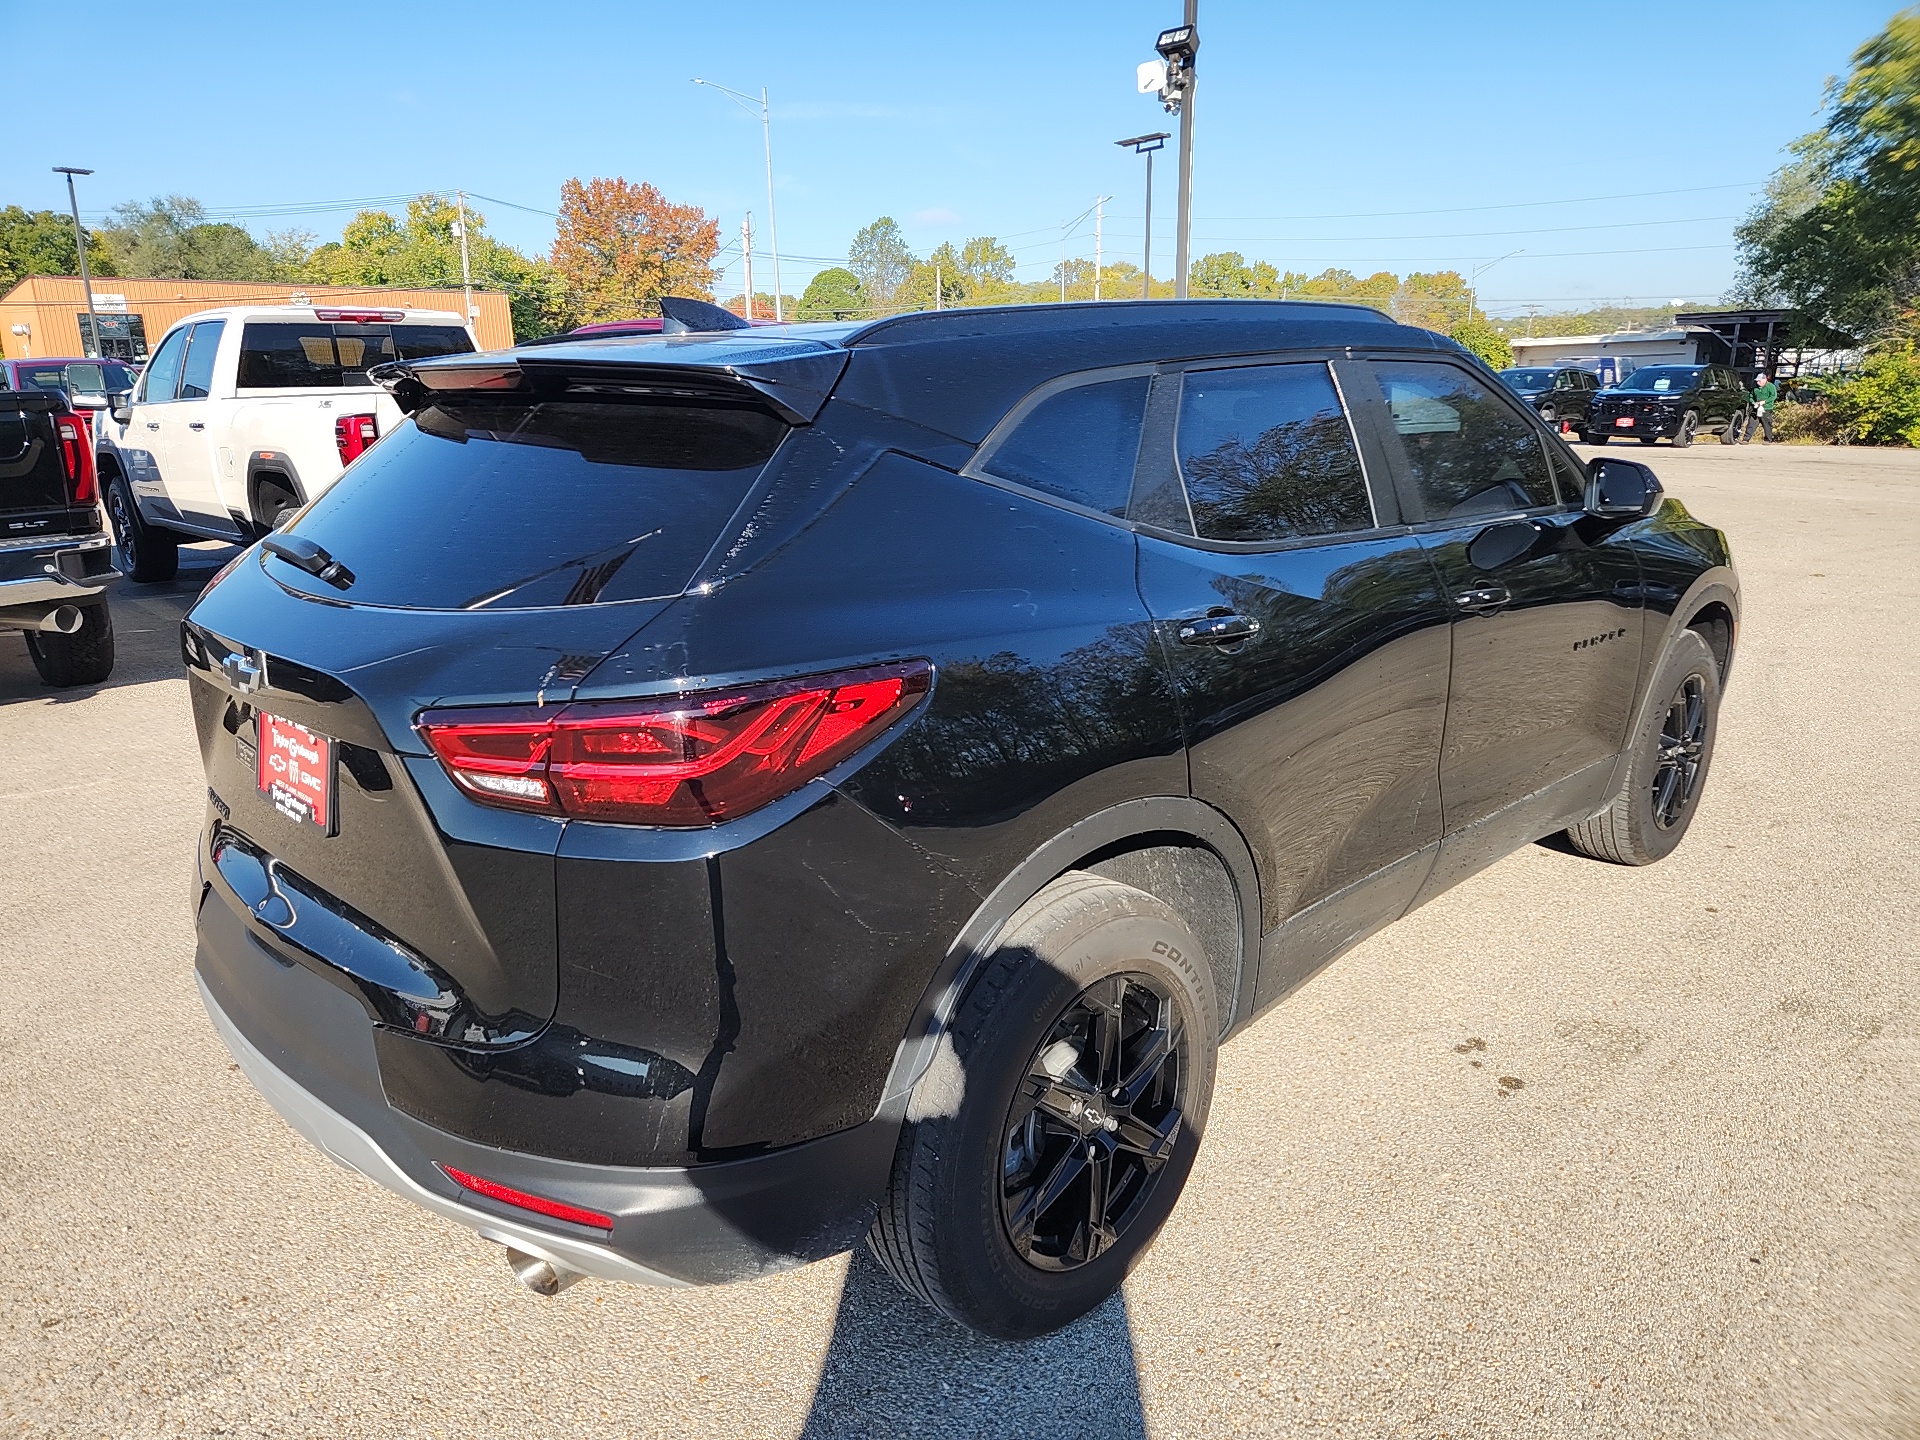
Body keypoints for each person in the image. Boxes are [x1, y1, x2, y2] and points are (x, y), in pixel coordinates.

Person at [1744, 371, 1780, 443]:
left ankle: (1768, 439)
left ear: (1764, 380)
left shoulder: (1771, 386)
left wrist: (1765, 401)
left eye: (1759, 381)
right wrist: (1753, 402)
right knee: (1751, 424)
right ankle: (1746, 439)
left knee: (1767, 425)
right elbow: (1751, 396)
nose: (1757, 383)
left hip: (1766, 409)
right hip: (1756, 408)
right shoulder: (1755, 388)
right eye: (1757, 381)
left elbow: (1773, 396)